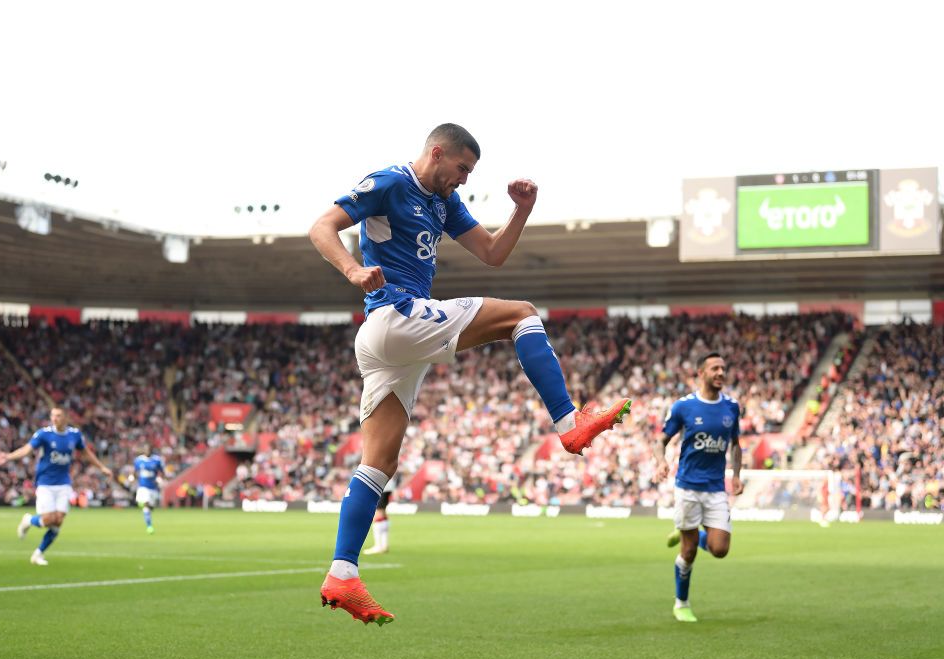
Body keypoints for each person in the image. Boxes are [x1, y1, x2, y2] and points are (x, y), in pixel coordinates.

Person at [308, 123, 632, 625]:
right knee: (522, 314)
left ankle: (342, 573)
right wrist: (352, 270)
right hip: (395, 315)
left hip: (393, 342)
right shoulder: (390, 182)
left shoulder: (444, 202)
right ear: (437, 153)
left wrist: (521, 210)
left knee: (378, 465)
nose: (463, 179)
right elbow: (321, 227)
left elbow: (493, 253)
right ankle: (570, 424)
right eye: (461, 169)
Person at [653, 351, 743, 623]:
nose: (721, 373)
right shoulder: (684, 407)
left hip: (716, 488)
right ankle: (681, 603)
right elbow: (660, 441)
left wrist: (736, 475)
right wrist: (661, 462)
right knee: (689, 552)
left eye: (723, 368)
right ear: (701, 373)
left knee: (720, 549)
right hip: (688, 487)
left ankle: (689, 534)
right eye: (715, 368)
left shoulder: (732, 407)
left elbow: (736, 444)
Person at [0, 407, 113, 566]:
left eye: (58, 416)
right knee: (49, 520)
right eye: (53, 415)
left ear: (66, 417)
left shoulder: (74, 435)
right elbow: (27, 449)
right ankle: (28, 520)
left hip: (64, 483)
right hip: (45, 482)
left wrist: (101, 467)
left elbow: (86, 453)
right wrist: (8, 456)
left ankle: (38, 554)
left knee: (58, 521)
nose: (54, 418)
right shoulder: (44, 434)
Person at [363, 472, 398, 555]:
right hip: (388, 485)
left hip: (382, 485)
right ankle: (384, 545)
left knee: (378, 513)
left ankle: (378, 546)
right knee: (383, 512)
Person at [133, 450, 166, 534]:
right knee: (145, 505)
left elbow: (162, 472)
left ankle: (145, 507)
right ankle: (149, 526)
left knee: (149, 508)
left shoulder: (157, 460)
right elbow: (135, 471)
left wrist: (160, 479)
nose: (147, 451)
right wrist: (133, 478)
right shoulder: (139, 460)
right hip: (143, 487)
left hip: (153, 488)